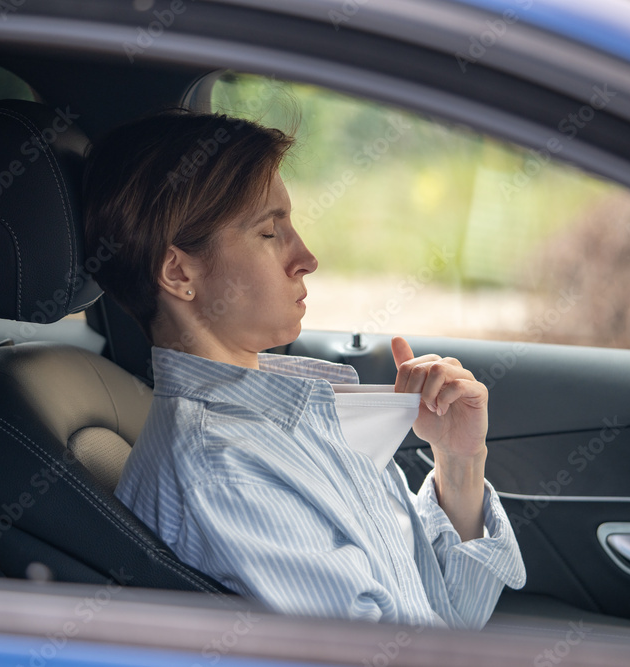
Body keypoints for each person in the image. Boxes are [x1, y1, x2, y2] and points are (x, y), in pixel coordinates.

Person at [82, 108, 525, 628]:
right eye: (271, 234)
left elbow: (447, 615)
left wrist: (459, 460)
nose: (307, 257)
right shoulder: (224, 471)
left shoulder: (286, 419)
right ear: (180, 272)